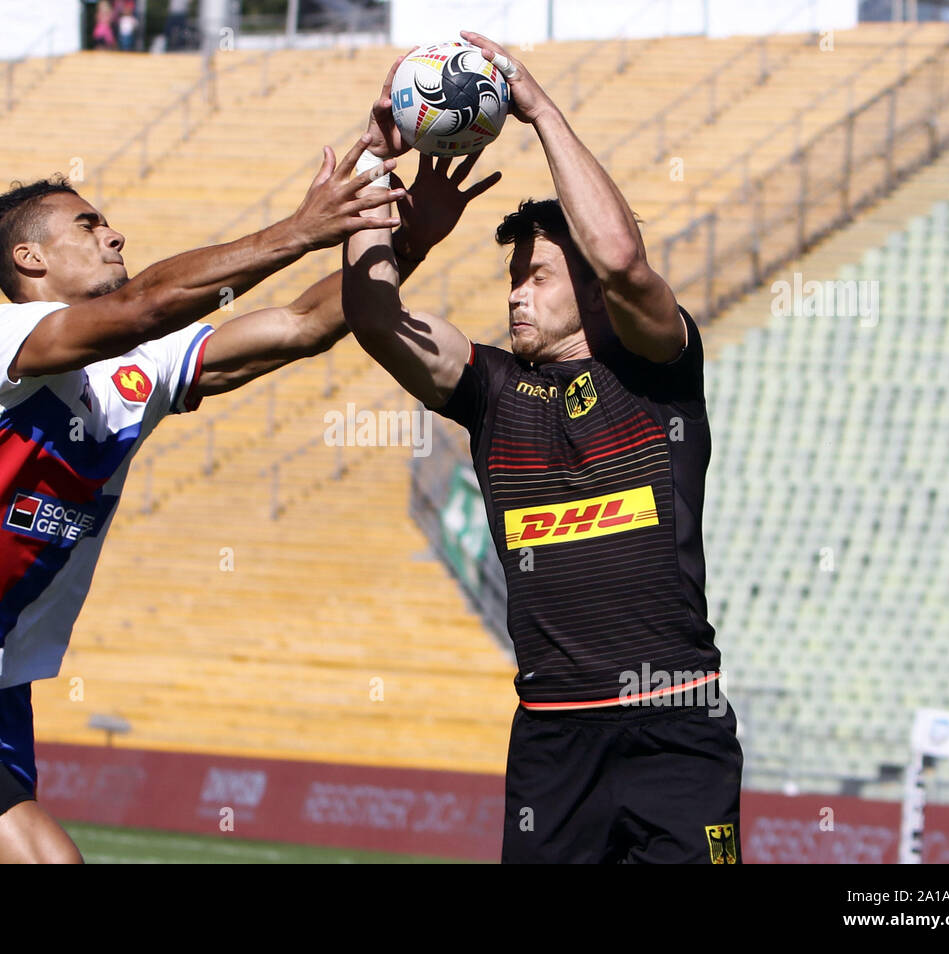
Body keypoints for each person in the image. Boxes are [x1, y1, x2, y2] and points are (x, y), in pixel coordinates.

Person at [0, 111, 495, 863]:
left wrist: (405, 235)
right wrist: (298, 228)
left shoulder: (139, 371)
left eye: (109, 224)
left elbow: (305, 325)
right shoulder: (2, 341)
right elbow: (143, 305)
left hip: (2, 701)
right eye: (88, 226)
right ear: (30, 258)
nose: (113, 235)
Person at [341, 33, 743, 864]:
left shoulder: (659, 371)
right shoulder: (492, 391)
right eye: (512, 278)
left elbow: (626, 262)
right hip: (554, 742)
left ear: (589, 293)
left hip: (677, 730)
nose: (516, 294)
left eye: (537, 277)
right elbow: (374, 319)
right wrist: (376, 168)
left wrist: (537, 108)